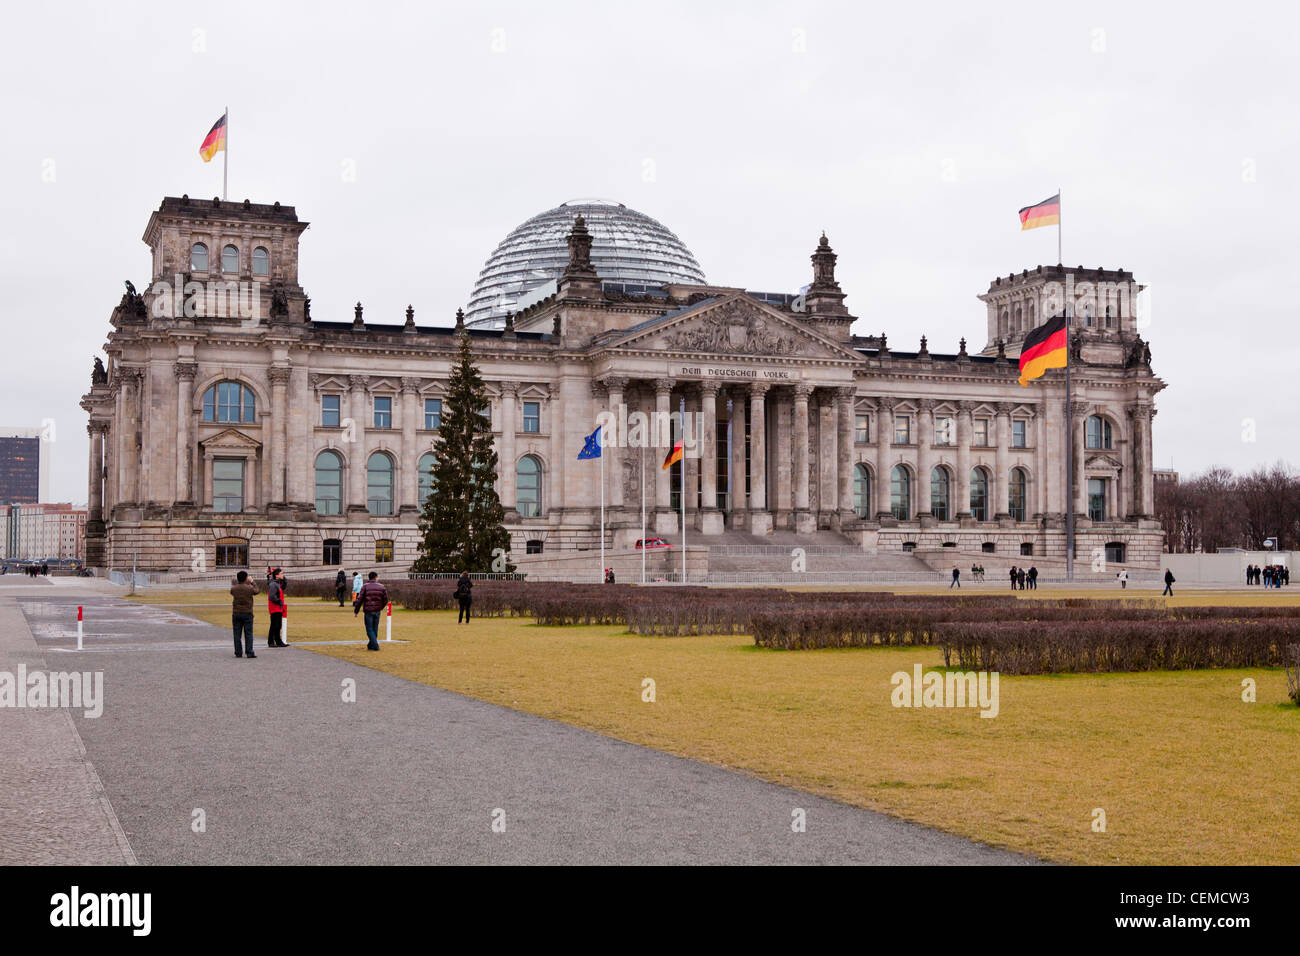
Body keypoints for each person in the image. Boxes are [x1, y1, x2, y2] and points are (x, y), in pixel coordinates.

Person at [354, 571, 389, 651]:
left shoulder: (365, 586)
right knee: (375, 628)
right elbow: (385, 600)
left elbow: (359, 600)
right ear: (376, 577)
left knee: (369, 629)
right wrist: (381, 607)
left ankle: (375, 645)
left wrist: (356, 611)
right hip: (377, 610)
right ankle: (371, 645)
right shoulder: (382, 587)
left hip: (368, 610)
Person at [229, 570, 259, 659]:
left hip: (236, 612)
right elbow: (257, 591)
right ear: (246, 578)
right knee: (248, 634)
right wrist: (252, 582)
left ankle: (238, 652)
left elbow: (232, 593)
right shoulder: (249, 588)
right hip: (247, 612)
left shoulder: (234, 588)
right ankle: (249, 652)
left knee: (237, 634)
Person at [266, 568, 288, 647]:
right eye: (281, 573)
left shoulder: (277, 583)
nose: (283, 575)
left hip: (278, 607)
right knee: (274, 625)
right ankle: (271, 641)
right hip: (275, 608)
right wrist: (279, 601)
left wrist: (283, 578)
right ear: (277, 575)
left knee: (278, 625)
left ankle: (278, 641)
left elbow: (284, 585)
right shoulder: (273, 584)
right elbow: (271, 596)